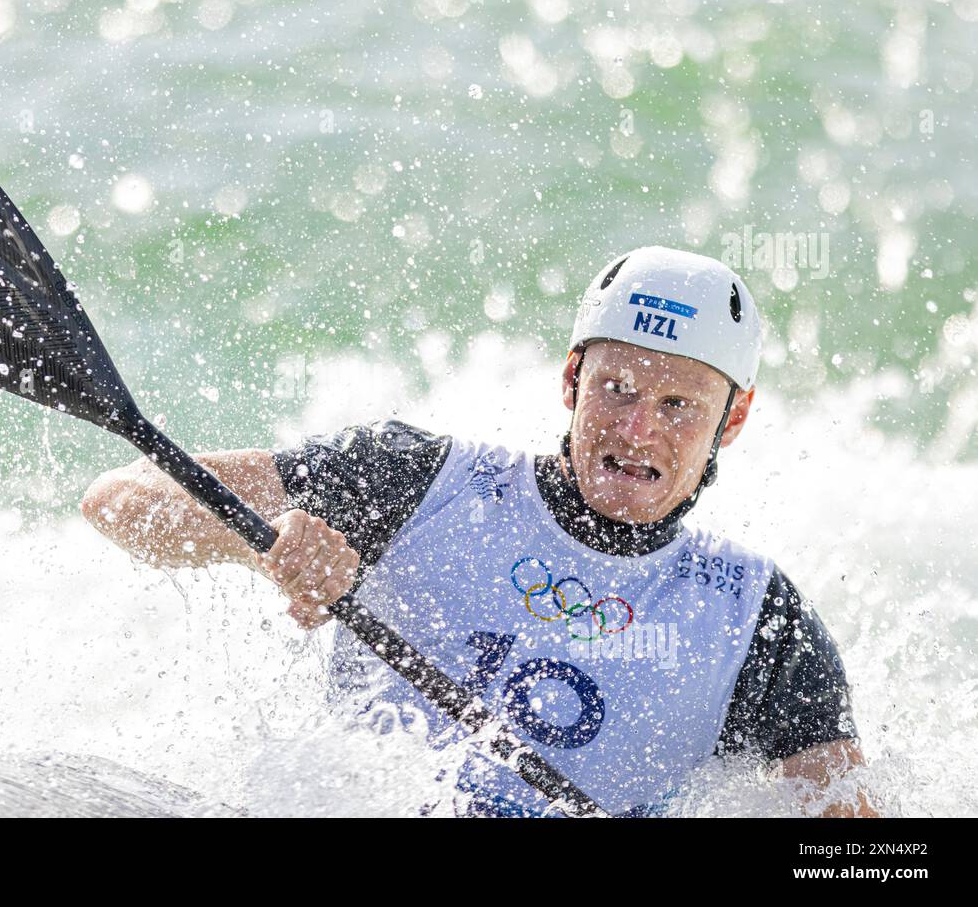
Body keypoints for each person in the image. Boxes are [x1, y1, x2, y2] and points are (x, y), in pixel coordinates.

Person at [81, 245, 875, 817]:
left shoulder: (755, 619)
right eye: (616, 389)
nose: (637, 432)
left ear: (731, 421)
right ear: (571, 380)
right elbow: (119, 500)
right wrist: (267, 540)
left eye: (677, 408)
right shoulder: (417, 481)